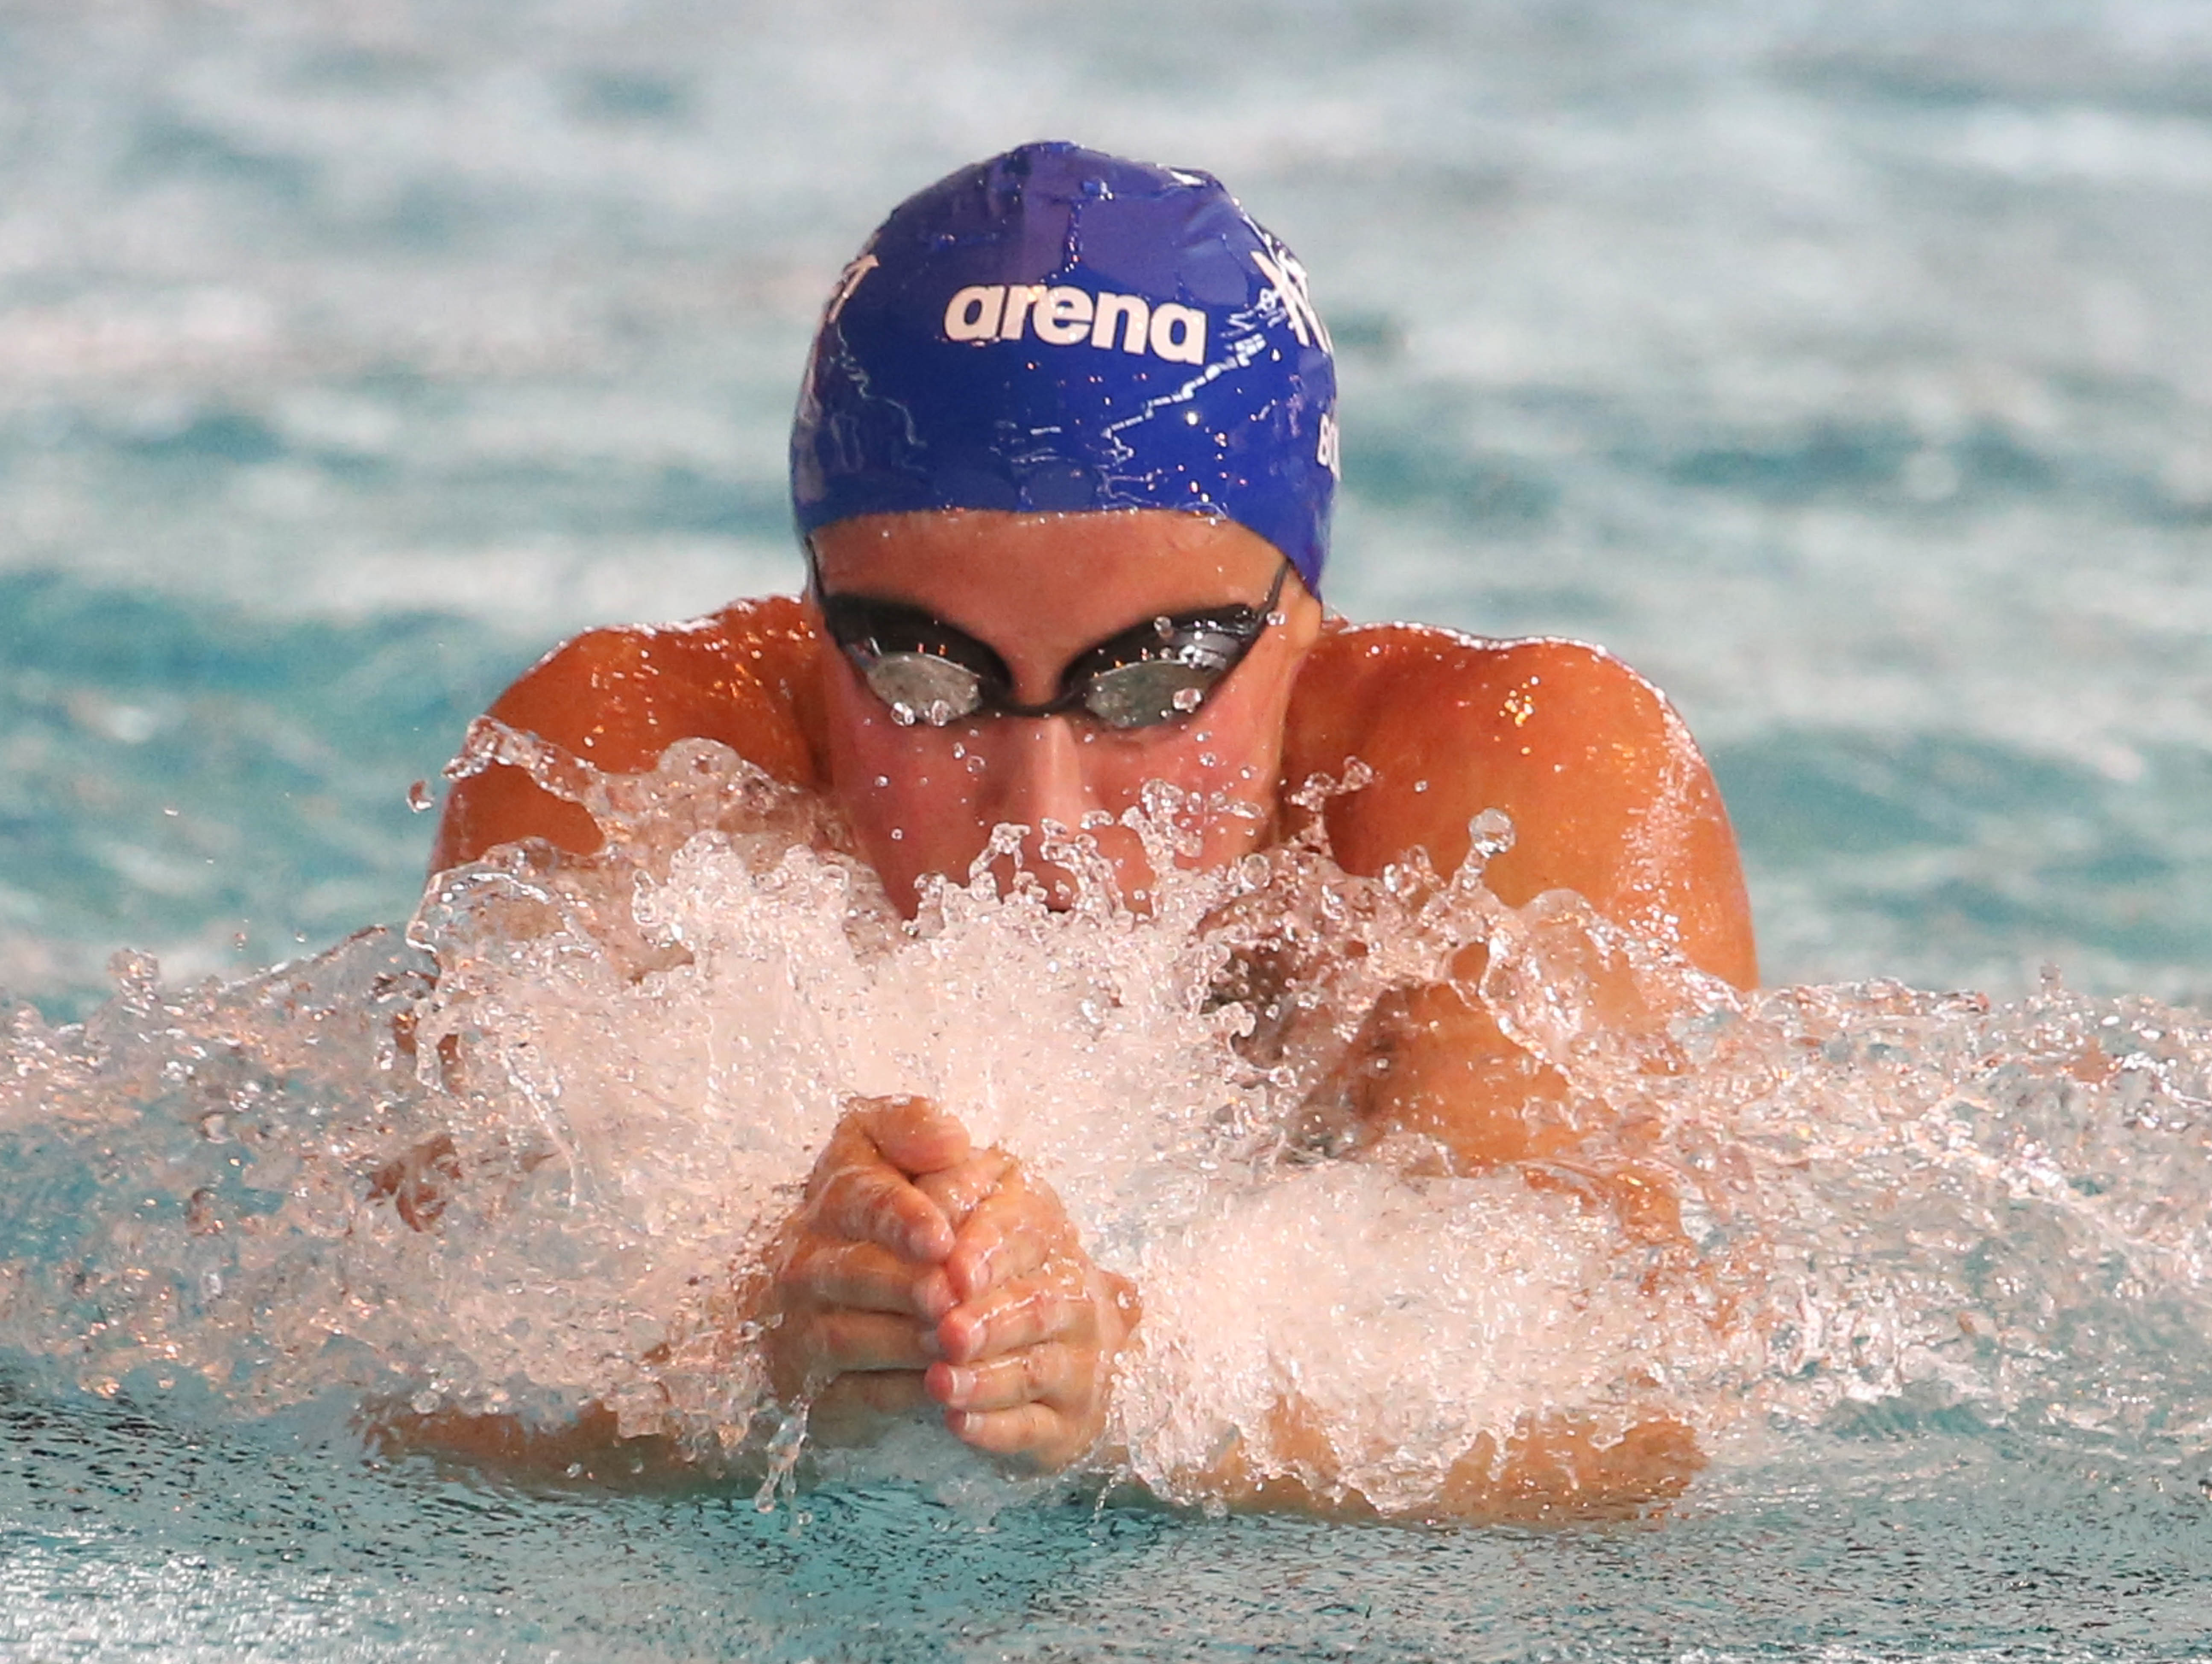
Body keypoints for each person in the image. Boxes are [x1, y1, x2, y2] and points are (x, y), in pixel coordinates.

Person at [426, 142, 1757, 1520]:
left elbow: (1629, 1419)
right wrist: (741, 1354)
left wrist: (1153, 1377)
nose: (1041, 812)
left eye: (1153, 684)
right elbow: (415, 1369)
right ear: (816, 612)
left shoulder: (1516, 785)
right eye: (928, 680)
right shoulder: (632, 770)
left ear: (1300, 608)